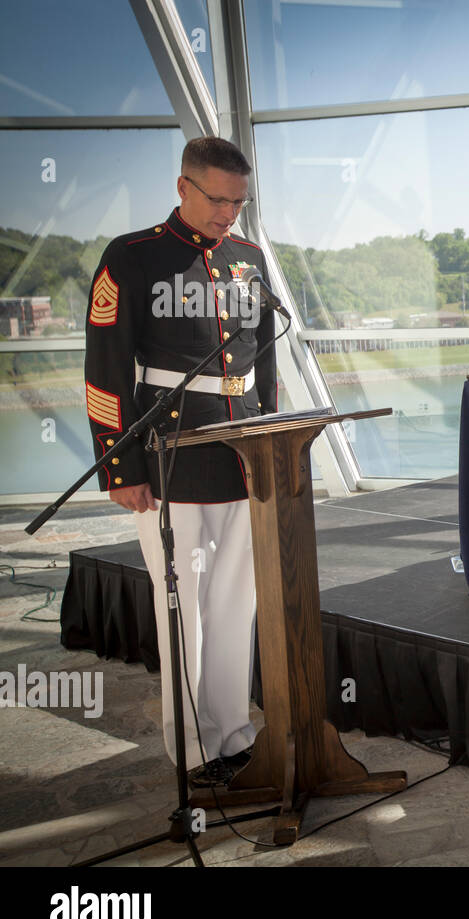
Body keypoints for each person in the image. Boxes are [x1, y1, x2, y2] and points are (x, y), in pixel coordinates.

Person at [83, 136, 279, 787]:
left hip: (243, 459)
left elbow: (264, 363)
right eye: (217, 199)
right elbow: (106, 372)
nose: (228, 214)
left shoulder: (250, 259)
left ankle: (232, 732)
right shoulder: (133, 258)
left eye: (238, 202)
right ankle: (192, 748)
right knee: (186, 610)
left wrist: (270, 443)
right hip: (171, 462)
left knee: (234, 603)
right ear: (182, 187)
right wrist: (121, 468)